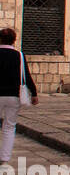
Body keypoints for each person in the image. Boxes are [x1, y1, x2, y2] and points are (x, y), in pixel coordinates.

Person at [0, 28, 38, 164]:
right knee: (9, 126)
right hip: (13, 95)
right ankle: (4, 157)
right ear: (14, 40)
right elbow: (26, 76)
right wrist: (34, 93)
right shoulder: (19, 56)